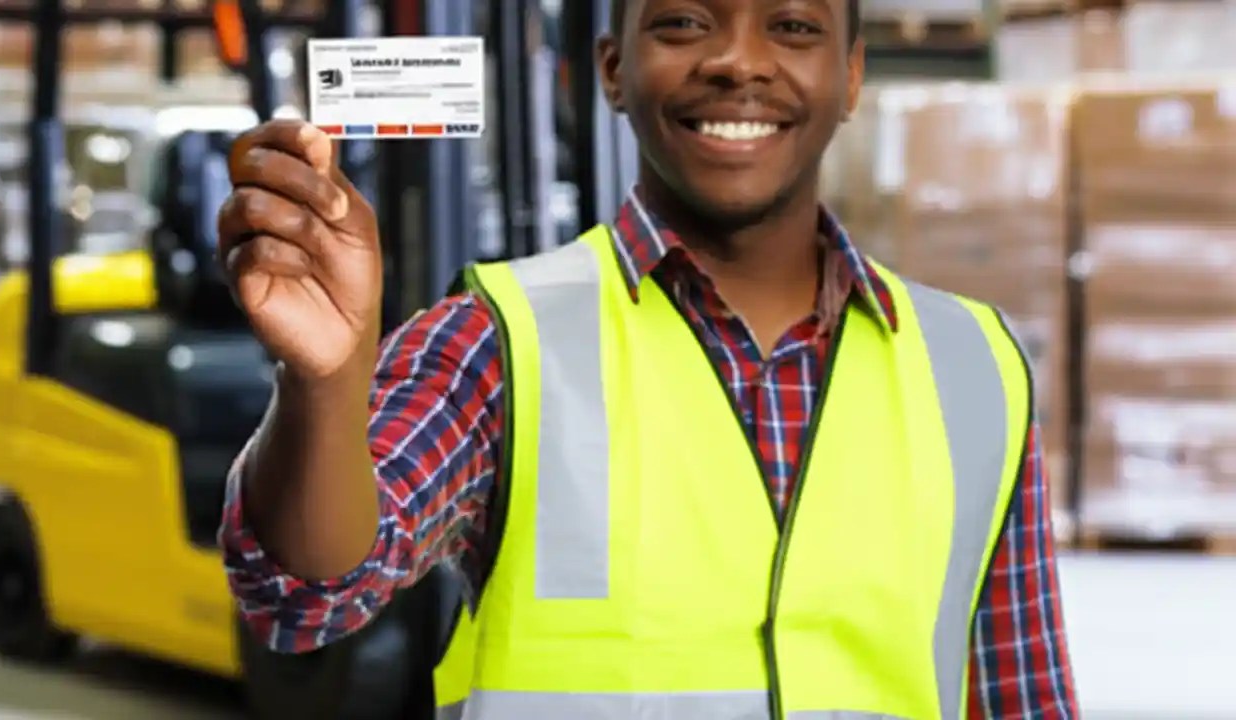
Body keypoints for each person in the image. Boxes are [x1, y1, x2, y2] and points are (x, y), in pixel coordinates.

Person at [216, 0, 1079, 717]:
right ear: (613, 69)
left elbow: (1023, 694)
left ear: (850, 74)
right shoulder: (498, 341)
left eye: (793, 27)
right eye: (681, 22)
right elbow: (305, 596)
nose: (739, 62)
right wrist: (324, 384)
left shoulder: (973, 363)